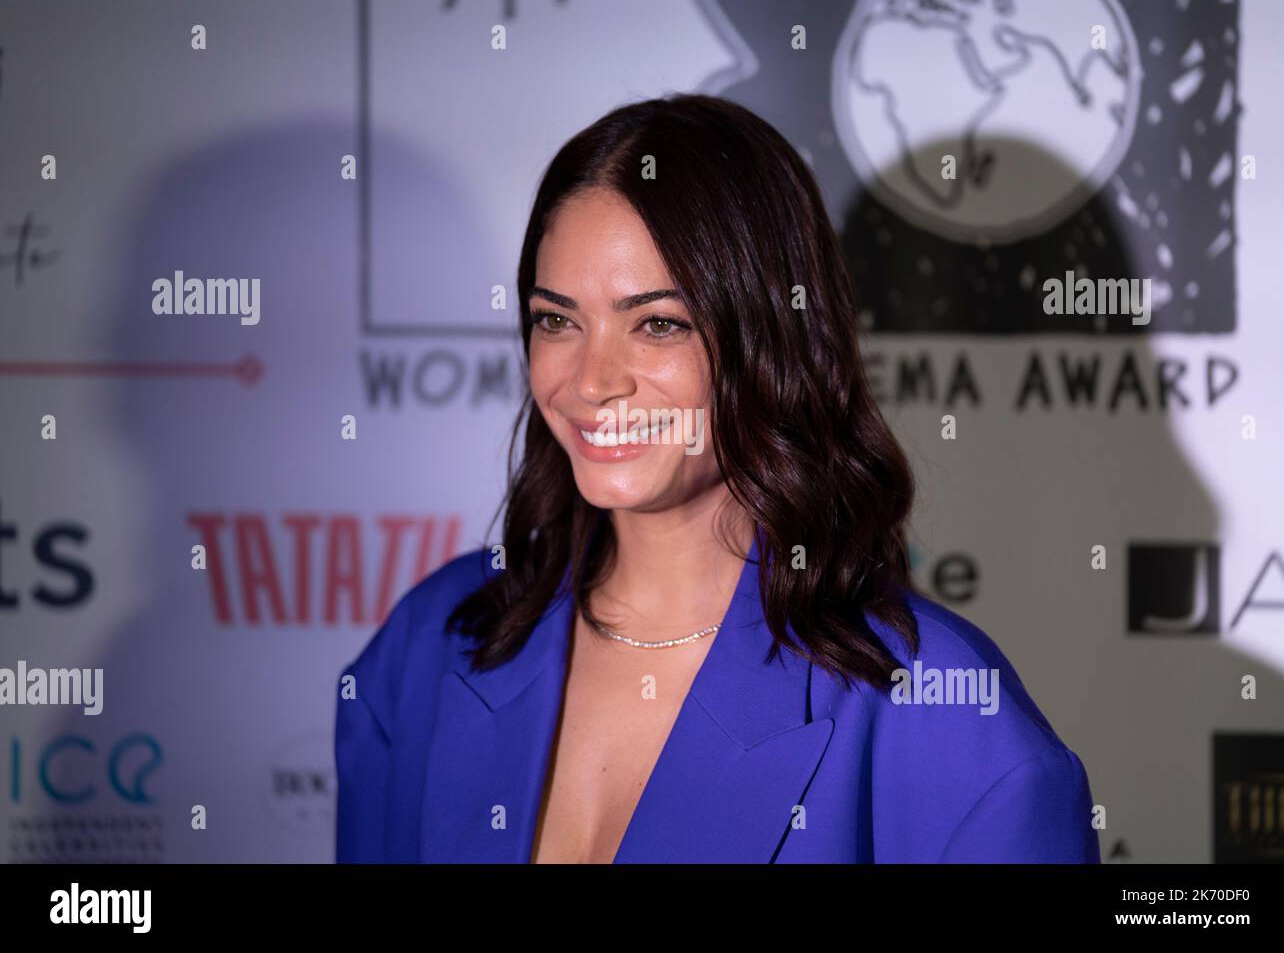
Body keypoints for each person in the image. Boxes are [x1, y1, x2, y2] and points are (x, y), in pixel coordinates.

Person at [335, 94, 1100, 864]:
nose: (592, 382)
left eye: (658, 323)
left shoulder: (949, 723)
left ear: (774, 341)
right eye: (556, 320)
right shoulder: (429, 646)